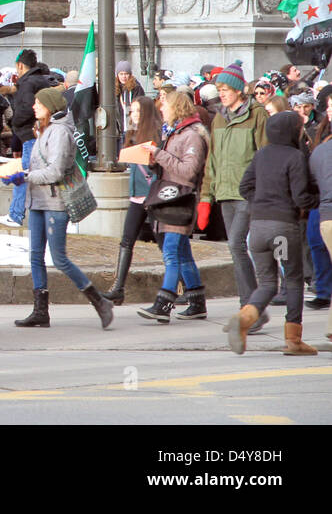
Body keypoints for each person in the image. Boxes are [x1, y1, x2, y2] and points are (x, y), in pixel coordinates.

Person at [7, 87, 115, 330]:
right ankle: (40, 311)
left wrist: (26, 176)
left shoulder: (59, 132)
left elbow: (56, 171)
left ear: (50, 107)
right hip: (38, 200)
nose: (34, 106)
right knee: (35, 256)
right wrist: (22, 176)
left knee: (59, 258)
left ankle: (99, 302)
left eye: (38, 103)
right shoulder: (45, 129)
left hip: (55, 202)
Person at [228, 110, 319, 355]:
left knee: (267, 282)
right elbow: (301, 197)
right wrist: (317, 200)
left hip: (257, 228)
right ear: (293, 131)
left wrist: (259, 203)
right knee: (292, 279)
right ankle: (293, 339)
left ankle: (245, 319)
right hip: (282, 228)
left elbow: (244, 186)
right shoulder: (295, 157)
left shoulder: (261, 155)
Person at [201, 59, 269, 333]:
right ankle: (254, 310)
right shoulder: (219, 117)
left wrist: (262, 190)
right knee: (236, 247)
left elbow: (265, 155)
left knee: (236, 245)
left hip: (247, 194)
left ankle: (250, 310)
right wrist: (206, 195)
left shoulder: (257, 115)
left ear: (240, 90)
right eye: (219, 89)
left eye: (226, 89)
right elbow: (212, 159)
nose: (222, 93)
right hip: (224, 192)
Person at [136, 90, 210, 321]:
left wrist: (159, 154)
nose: (161, 109)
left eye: (165, 106)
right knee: (181, 252)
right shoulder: (176, 132)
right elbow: (170, 166)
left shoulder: (192, 135)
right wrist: (154, 161)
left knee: (170, 252)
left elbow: (188, 171)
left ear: (176, 108)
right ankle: (197, 302)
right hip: (171, 198)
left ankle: (164, 303)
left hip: (181, 200)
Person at [100, 95, 162, 304]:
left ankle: (180, 286)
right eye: (132, 112)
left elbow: (160, 168)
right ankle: (118, 288)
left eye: (137, 112)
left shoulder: (156, 134)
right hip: (136, 196)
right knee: (126, 240)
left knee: (164, 244)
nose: (134, 116)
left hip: (153, 196)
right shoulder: (133, 135)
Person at [5, 49, 57, 226]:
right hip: (40, 133)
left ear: (20, 65)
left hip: (30, 134)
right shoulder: (40, 80)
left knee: (25, 176)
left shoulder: (27, 84)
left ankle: (15, 214)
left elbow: (27, 108)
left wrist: (15, 122)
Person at [304, 128, 332, 325]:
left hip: (323, 205)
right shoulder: (320, 148)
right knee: (315, 242)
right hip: (321, 203)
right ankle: (323, 290)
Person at [115, 60, 145, 135]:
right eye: (121, 74)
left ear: (130, 75)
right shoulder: (115, 89)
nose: (123, 77)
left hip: (133, 129)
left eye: (126, 74)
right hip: (120, 129)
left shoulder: (136, 88)